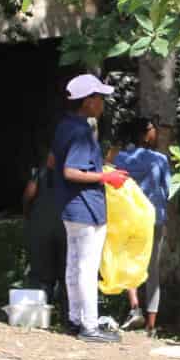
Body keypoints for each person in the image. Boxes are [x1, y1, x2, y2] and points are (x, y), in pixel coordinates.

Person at [51, 73, 128, 344]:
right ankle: (90, 327)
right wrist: (106, 176)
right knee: (87, 267)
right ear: (87, 101)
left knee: (74, 265)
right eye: (99, 98)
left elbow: (54, 163)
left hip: (71, 207)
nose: (102, 103)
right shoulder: (81, 131)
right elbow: (70, 171)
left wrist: (98, 171)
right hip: (86, 207)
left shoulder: (64, 126)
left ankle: (75, 320)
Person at [114, 116, 172, 333]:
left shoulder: (121, 158)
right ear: (146, 134)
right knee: (152, 269)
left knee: (129, 262)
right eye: (153, 130)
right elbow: (168, 190)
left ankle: (135, 308)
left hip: (130, 217)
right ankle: (151, 325)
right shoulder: (160, 160)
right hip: (154, 218)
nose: (156, 134)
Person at [21, 150, 67, 306]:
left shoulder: (41, 173)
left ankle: (40, 313)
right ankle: (67, 315)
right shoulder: (73, 174)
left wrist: (28, 214)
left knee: (41, 277)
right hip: (66, 229)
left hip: (40, 229)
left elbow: (29, 194)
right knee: (67, 276)